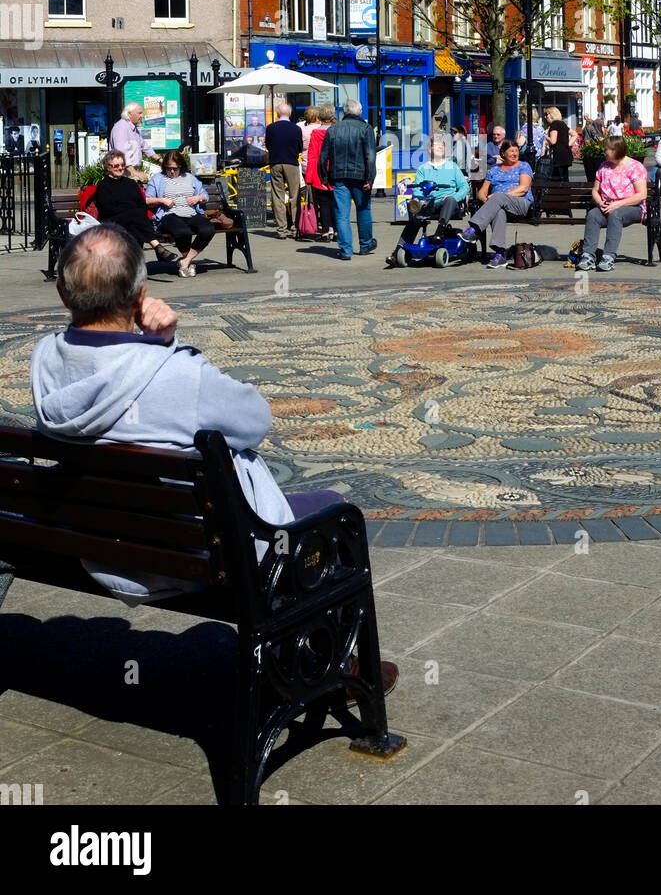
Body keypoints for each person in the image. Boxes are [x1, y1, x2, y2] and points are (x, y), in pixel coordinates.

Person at [28, 225, 400, 696]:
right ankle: (339, 663)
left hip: (99, 546)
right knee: (334, 512)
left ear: (63, 293)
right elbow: (254, 420)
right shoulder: (177, 375)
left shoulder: (43, 360)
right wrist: (167, 345)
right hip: (196, 559)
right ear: (141, 295)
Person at [386, 136, 470, 265]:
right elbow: (417, 189)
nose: (440, 147)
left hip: (448, 204)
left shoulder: (452, 167)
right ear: (429, 149)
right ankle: (398, 251)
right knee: (415, 214)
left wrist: (456, 197)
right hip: (429, 203)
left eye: (442, 145)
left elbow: (465, 187)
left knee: (450, 200)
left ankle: (439, 232)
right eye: (436, 145)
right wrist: (421, 199)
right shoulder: (423, 169)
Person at [577, 136, 648, 273]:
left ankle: (608, 257)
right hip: (608, 206)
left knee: (615, 215)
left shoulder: (635, 167)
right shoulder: (604, 166)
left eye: (607, 149)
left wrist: (617, 204)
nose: (604, 152)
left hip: (632, 207)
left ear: (617, 150)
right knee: (593, 215)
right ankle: (588, 256)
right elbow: (595, 190)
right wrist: (599, 202)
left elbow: (641, 195)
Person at [318, 99, 377, 260]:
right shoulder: (366, 128)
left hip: (338, 176)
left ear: (344, 112)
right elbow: (370, 156)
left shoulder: (333, 129)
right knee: (363, 210)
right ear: (360, 112)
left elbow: (323, 156)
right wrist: (370, 178)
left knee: (342, 214)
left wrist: (323, 176)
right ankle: (365, 245)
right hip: (360, 176)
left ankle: (346, 250)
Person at [461, 139, 533, 269]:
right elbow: (482, 192)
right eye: (511, 151)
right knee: (498, 211)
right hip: (500, 205)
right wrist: (489, 202)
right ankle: (500, 254)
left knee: (498, 199)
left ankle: (474, 230)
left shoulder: (524, 165)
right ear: (502, 153)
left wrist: (498, 198)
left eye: (516, 151)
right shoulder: (494, 169)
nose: (515, 154)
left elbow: (524, 188)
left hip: (521, 203)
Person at [94, 150, 175, 264]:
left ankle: (135, 266)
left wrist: (132, 212)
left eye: (122, 165)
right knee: (136, 216)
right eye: (116, 165)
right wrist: (130, 211)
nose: (120, 168)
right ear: (108, 167)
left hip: (135, 221)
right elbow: (108, 208)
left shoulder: (131, 183)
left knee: (136, 220)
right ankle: (157, 246)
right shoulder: (103, 186)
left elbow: (142, 205)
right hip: (112, 220)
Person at [145, 151, 215, 277]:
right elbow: (146, 199)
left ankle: (185, 261)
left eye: (175, 169)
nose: (172, 172)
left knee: (208, 229)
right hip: (169, 215)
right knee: (183, 232)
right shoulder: (158, 179)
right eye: (168, 168)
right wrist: (161, 200)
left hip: (191, 213)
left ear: (181, 167)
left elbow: (205, 195)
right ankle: (188, 263)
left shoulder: (190, 177)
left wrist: (198, 197)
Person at [264, 102, 303, 240]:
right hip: (291, 163)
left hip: (275, 163)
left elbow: (268, 145)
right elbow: (300, 147)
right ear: (290, 113)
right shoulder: (296, 129)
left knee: (277, 196)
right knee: (295, 195)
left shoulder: (271, 128)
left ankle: (281, 230)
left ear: (277, 114)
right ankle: (295, 227)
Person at [305, 104, 336, 240]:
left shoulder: (316, 133)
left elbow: (311, 156)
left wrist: (309, 178)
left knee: (323, 203)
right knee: (336, 202)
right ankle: (336, 232)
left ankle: (324, 232)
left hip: (319, 171)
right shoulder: (337, 131)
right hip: (335, 170)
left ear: (320, 116)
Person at [109, 103, 159, 182]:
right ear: (129, 114)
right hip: (123, 174)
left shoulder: (133, 129)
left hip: (130, 173)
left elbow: (144, 146)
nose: (142, 116)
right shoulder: (121, 128)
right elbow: (121, 154)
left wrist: (160, 160)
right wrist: (135, 173)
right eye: (139, 113)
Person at [542, 106, 572, 180]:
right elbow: (574, 134)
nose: (545, 117)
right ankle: (567, 191)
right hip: (566, 154)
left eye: (546, 115)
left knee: (556, 179)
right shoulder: (563, 124)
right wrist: (567, 144)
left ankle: (558, 192)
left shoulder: (554, 124)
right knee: (565, 178)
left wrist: (544, 135)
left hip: (558, 156)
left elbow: (553, 141)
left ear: (552, 114)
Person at [299, 105, 320, 177]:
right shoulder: (322, 129)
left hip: (306, 166)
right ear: (317, 116)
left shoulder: (302, 130)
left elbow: (299, 147)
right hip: (319, 165)